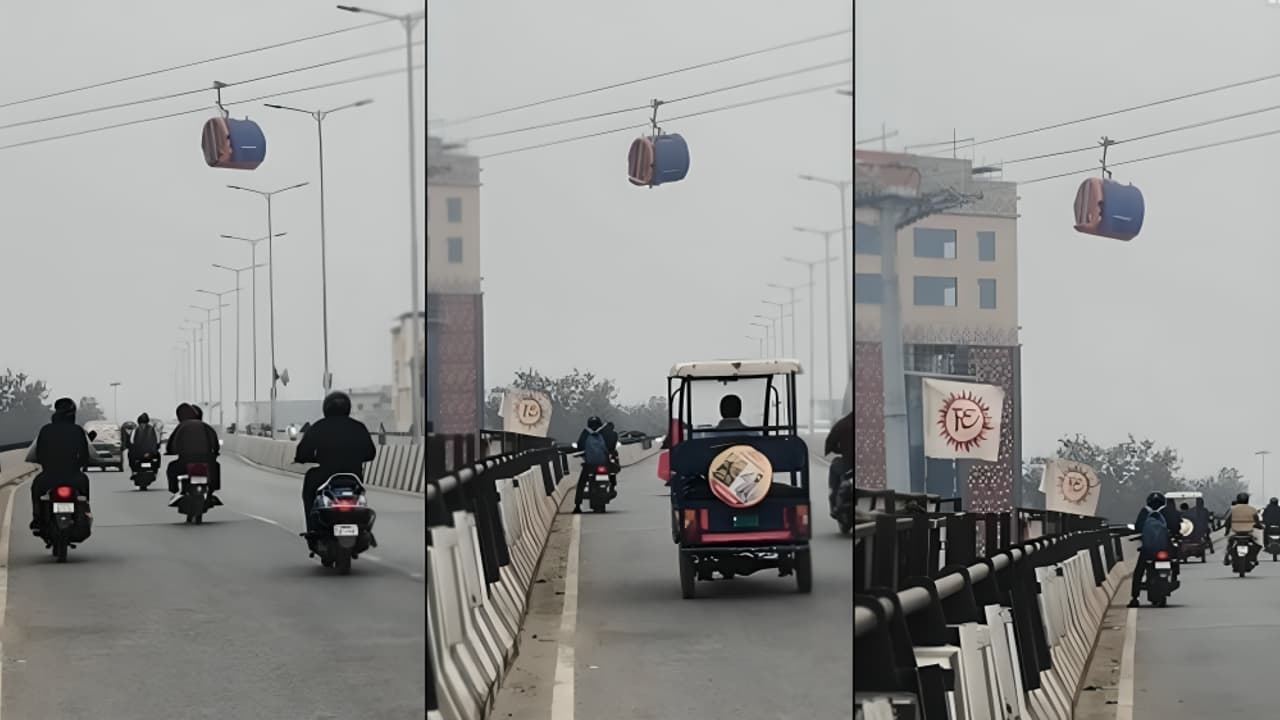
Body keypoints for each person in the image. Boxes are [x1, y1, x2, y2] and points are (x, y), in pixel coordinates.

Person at [293, 392, 376, 544]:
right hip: (353, 475)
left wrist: (304, 459)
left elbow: (302, 452)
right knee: (360, 496)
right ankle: (362, 528)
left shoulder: (319, 427)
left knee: (309, 485)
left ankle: (313, 529)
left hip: (324, 475)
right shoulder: (358, 427)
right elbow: (370, 453)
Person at [24, 397, 96, 533]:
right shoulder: (78, 431)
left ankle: (37, 518)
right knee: (85, 483)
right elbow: (85, 456)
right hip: (74, 477)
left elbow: (38, 455)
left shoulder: (45, 430)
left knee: (36, 487)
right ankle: (85, 514)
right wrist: (80, 464)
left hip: (48, 478)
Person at [165, 403, 221, 507]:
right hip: (207, 462)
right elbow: (215, 445)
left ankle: (176, 491)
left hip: (186, 462)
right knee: (216, 467)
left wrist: (170, 451)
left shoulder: (181, 426)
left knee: (171, 468)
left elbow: (171, 445)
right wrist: (214, 454)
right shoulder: (206, 427)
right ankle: (211, 492)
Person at [1129, 492, 1172, 608]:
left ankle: (1134, 598)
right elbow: (1176, 526)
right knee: (1174, 561)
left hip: (1148, 549)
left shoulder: (1145, 512)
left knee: (1139, 572)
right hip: (1163, 549)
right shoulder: (1167, 511)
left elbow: (1138, 527)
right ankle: (1173, 577)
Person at [573, 416, 615, 514]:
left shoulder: (585, 433)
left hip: (590, 465)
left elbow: (580, 446)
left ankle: (578, 505)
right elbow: (610, 446)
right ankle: (612, 487)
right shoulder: (604, 433)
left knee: (581, 484)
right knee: (613, 472)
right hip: (603, 464)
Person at [1224, 492, 1262, 566]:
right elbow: (1257, 521)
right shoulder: (1252, 509)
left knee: (1229, 544)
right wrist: (1259, 526)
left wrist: (1227, 531)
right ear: (1247, 500)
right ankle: (1254, 557)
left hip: (1235, 532)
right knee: (1257, 544)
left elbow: (1227, 521)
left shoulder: (1232, 509)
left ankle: (1227, 557)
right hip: (1248, 532)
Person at [825, 411, 853, 507]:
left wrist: (841, 450)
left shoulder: (843, 423)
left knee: (834, 466)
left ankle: (833, 496)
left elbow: (830, 442)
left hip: (848, 463)